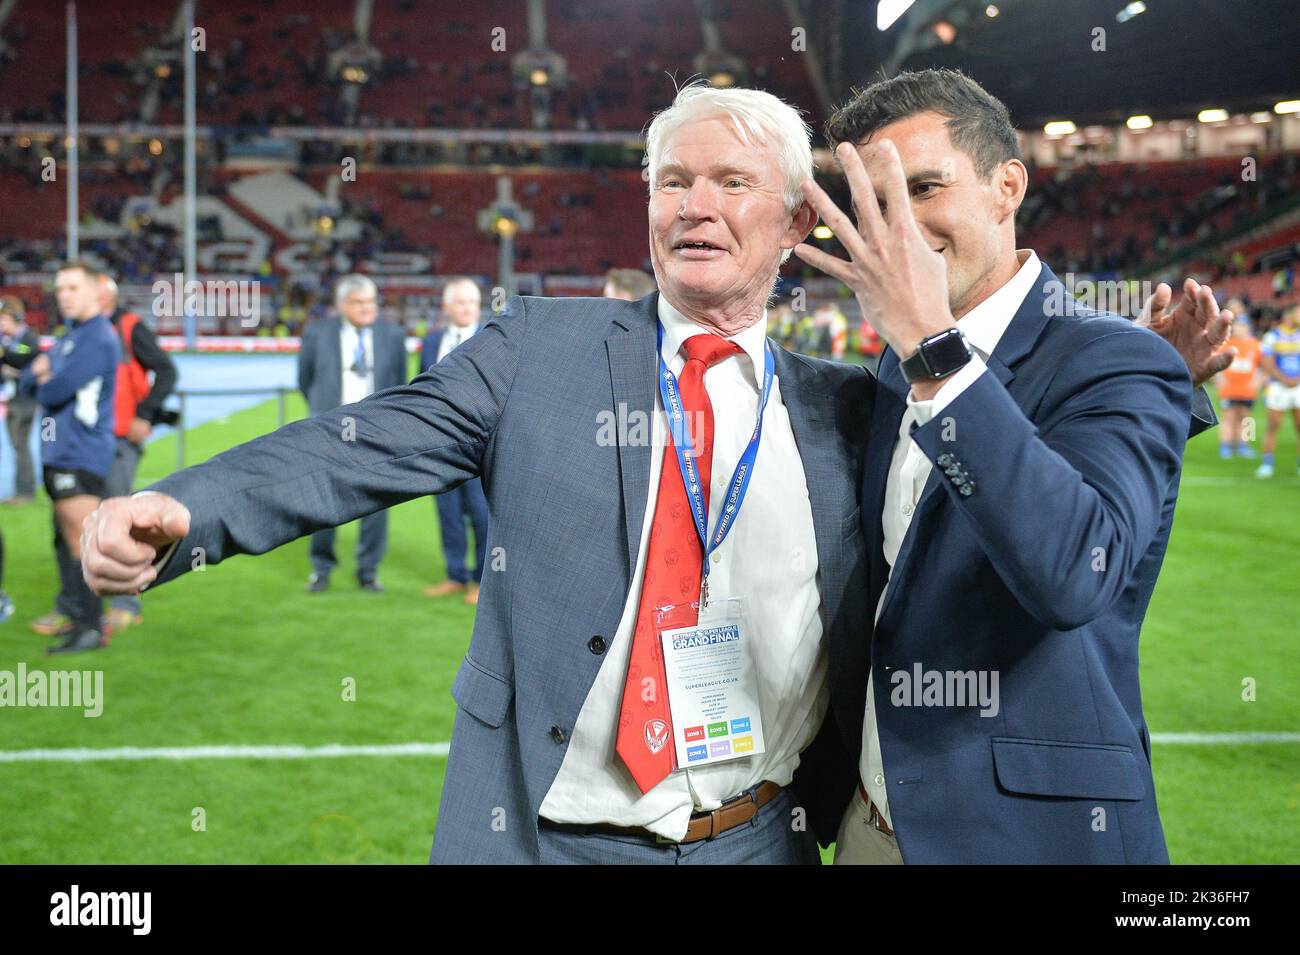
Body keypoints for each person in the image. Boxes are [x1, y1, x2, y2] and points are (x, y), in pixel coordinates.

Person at [82, 83, 1219, 864]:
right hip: (545, 835)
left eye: (730, 181)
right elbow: (363, 443)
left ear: (791, 224)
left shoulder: (851, 398)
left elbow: (1018, 507)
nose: (693, 204)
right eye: (671, 180)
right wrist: (189, 511)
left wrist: (1171, 394)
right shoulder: (540, 350)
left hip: (761, 839)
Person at [792, 68, 1227, 864]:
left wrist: (933, 350)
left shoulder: (1112, 359)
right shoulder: (896, 370)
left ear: (1006, 186)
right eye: (877, 206)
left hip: (1031, 841)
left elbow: (1071, 573)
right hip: (869, 831)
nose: (902, 228)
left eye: (925, 187)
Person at [30, 274, 178, 636]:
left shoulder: (128, 327)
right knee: (66, 529)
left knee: (118, 523)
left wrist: (146, 413)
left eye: (77, 290)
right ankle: (73, 605)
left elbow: (167, 370)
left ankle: (125, 603)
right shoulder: (74, 334)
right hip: (83, 443)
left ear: (101, 297)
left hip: (118, 440)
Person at [297, 273, 407, 592]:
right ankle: (321, 568)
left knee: (375, 502)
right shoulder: (317, 333)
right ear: (342, 304)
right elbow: (305, 380)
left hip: (376, 430)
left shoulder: (393, 335)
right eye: (358, 303)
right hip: (329, 429)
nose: (366, 308)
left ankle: (368, 570)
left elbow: (400, 383)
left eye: (370, 302)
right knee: (323, 501)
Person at [36, 261, 120, 654]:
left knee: (83, 540)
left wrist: (43, 377)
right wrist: (42, 377)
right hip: (61, 451)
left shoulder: (97, 336)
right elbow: (34, 379)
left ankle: (91, 627)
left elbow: (53, 391)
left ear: (93, 292)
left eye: (72, 287)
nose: (64, 295)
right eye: (60, 289)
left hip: (80, 452)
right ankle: (80, 619)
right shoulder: (72, 335)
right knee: (70, 538)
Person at [419, 278, 489, 606]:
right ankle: (455, 574)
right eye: (459, 303)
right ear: (447, 307)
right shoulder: (432, 342)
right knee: (448, 513)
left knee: (481, 514)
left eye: (471, 303)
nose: (466, 309)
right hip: (440, 447)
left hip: (482, 448)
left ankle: (480, 580)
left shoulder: (494, 338)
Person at [0, 296, 41, 505]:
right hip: (14, 398)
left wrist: (5, 354)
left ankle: (24, 492)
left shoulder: (27, 339)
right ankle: (24, 490)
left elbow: (26, 353)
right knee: (19, 446)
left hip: (24, 400)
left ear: (16, 319)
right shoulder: (8, 342)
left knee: (20, 446)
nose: (1, 325)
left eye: (4, 320)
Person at [1254, 302, 1300, 479]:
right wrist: (1285, 379)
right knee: (1273, 425)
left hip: (1298, 386)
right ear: (1288, 315)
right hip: (1278, 386)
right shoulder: (1272, 336)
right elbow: (1267, 363)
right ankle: (1267, 464)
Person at [1216, 313, 1261, 458]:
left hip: (1247, 390)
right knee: (1228, 417)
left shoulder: (1255, 345)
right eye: (1236, 326)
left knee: (1246, 418)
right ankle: (1225, 447)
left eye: (1241, 326)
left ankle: (1244, 446)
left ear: (1247, 327)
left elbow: (1262, 367)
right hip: (1229, 389)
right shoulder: (1227, 344)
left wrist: (1258, 383)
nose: (1238, 329)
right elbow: (1217, 365)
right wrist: (1219, 381)